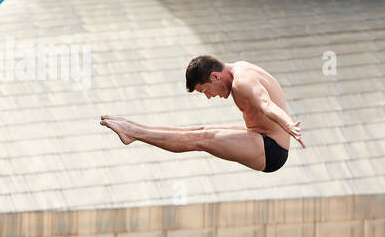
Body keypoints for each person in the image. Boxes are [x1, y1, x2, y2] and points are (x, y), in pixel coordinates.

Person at [99, 56, 304, 173]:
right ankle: (135, 128)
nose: (209, 97)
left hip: (272, 150)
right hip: (260, 136)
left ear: (215, 76)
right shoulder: (239, 68)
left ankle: (134, 133)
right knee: (200, 130)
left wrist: (289, 124)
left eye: (206, 90)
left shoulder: (242, 82)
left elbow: (266, 104)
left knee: (201, 139)